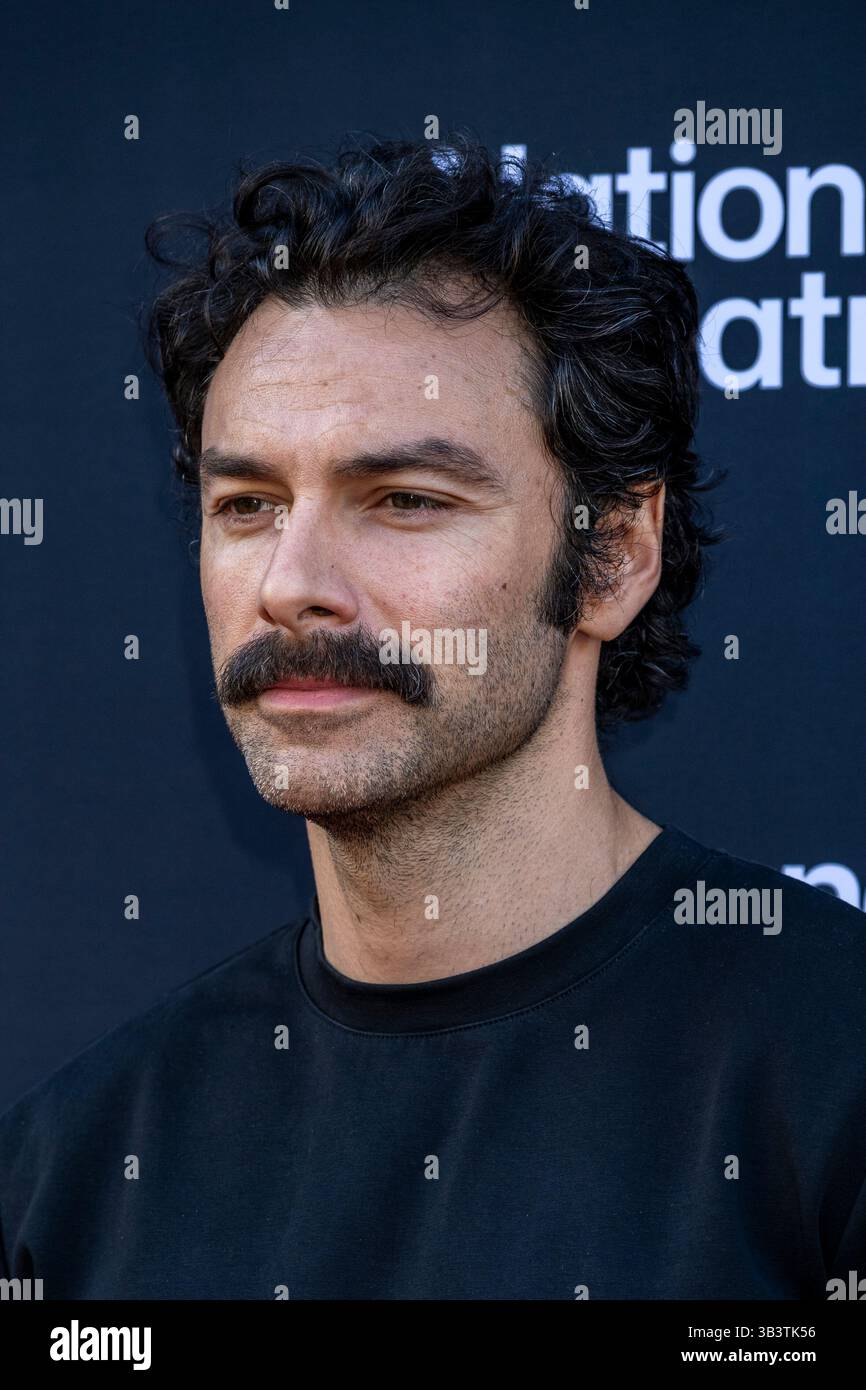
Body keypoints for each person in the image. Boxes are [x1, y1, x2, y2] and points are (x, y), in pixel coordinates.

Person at [1, 134, 864, 1301]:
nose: (292, 580)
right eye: (247, 503)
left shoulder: (830, 1073)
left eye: (403, 499)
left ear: (610, 555)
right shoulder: (77, 1175)